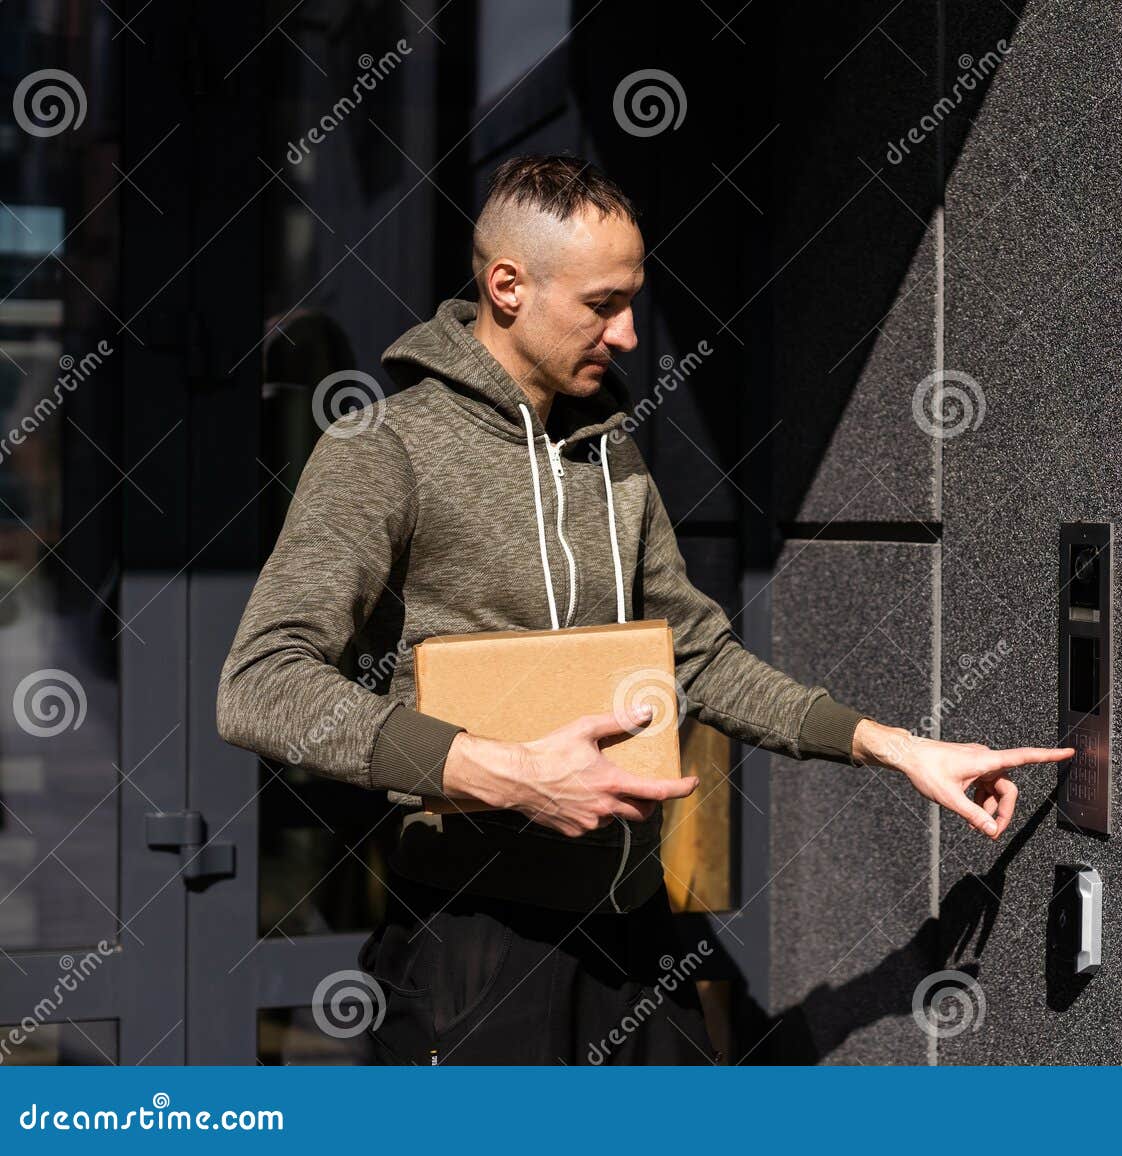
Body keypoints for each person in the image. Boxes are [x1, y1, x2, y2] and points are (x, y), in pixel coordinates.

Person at [215, 154, 1074, 1064]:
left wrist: (896, 746)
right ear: (507, 286)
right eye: (601, 304)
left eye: (631, 301)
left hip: (634, 935)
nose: (627, 334)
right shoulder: (383, 450)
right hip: (474, 948)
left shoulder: (608, 456)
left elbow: (695, 656)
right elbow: (263, 686)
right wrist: (504, 773)